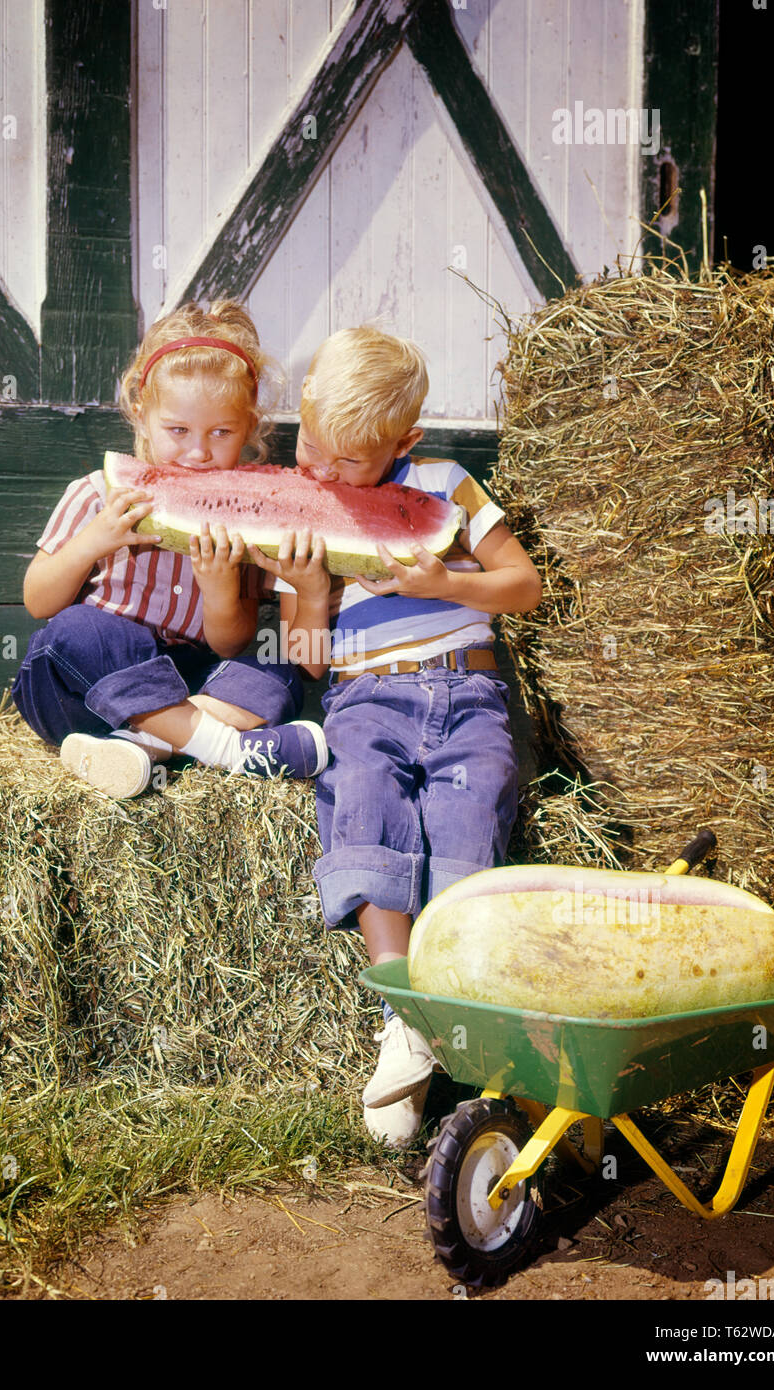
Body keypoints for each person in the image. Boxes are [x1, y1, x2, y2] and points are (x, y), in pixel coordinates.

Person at [251, 326, 543, 1147]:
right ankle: (403, 1014)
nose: (323, 472)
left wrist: (444, 579)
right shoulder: (298, 513)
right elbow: (305, 657)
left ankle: (429, 1018)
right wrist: (308, 589)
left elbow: (525, 585)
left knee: (471, 816)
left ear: (405, 443)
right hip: (363, 695)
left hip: (469, 688)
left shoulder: (447, 485)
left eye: (349, 462)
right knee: (362, 797)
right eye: (311, 444)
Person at [11, 300, 327, 796]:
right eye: (177, 430)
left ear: (248, 426)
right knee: (74, 630)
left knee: (273, 663)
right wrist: (93, 541)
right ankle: (225, 748)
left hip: (190, 679)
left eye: (221, 432)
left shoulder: (243, 524)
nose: (199, 452)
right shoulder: (96, 494)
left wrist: (220, 587)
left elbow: (228, 645)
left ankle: (141, 746)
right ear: (141, 414)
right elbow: (38, 602)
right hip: (83, 693)